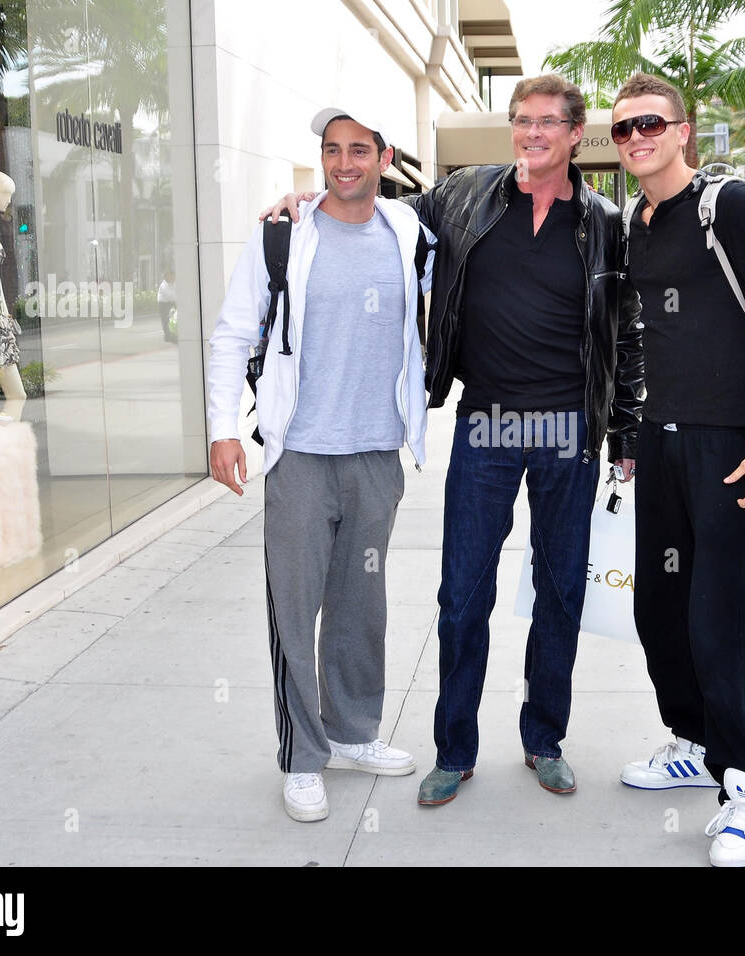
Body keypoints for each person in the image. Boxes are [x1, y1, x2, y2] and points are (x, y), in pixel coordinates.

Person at [263, 75, 644, 806]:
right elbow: (375, 209)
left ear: (574, 134)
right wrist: (304, 202)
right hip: (486, 424)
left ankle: (544, 739)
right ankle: (454, 749)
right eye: (521, 122)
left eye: (546, 124)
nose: (531, 135)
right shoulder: (467, 195)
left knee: (561, 592)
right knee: (462, 596)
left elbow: (626, 334)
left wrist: (624, 429)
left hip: (569, 429)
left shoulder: (604, 223)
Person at [610, 73, 745, 867]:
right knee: (660, 610)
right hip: (659, 441)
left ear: (684, 129)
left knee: (724, 618)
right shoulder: (641, 220)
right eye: (625, 128)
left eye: (651, 123)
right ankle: (696, 742)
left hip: (729, 443)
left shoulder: (731, 207)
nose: (638, 138)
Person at [207, 108, 435, 823]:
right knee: (294, 611)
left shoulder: (413, 233)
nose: (343, 163)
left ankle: (353, 732)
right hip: (300, 455)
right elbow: (233, 330)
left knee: (360, 608)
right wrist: (222, 431)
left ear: (384, 156)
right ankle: (304, 757)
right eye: (332, 150)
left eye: (358, 150)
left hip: (376, 453)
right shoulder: (285, 233)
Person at [157, 266, 177, 343]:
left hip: (172, 301)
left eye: (173, 275)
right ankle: (168, 336)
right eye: (170, 276)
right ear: (166, 276)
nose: (173, 278)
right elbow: (170, 296)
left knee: (174, 318)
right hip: (163, 302)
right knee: (165, 319)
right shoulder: (163, 285)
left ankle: (172, 334)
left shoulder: (174, 283)